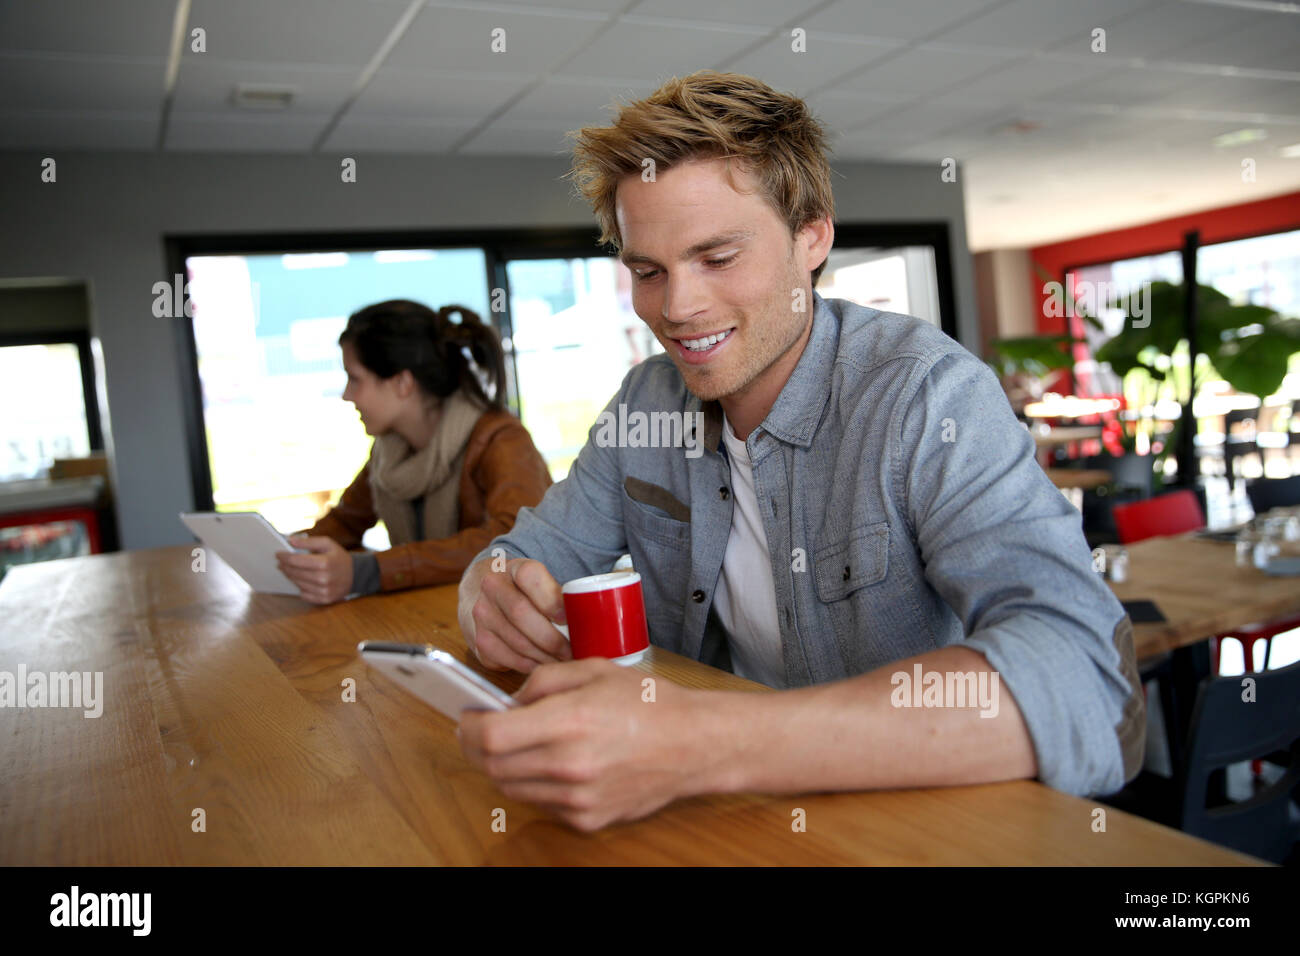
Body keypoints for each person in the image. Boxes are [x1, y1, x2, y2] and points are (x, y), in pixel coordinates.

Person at [454, 71, 1144, 832]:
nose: (678, 308)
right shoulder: (646, 405)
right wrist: (491, 596)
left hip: (909, 830)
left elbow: (1087, 676)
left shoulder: (928, 396)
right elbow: (520, 554)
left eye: (717, 257)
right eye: (648, 272)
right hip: (725, 820)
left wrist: (701, 743)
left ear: (812, 237)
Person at [276, 300, 552, 604]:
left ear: (402, 383)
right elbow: (346, 522)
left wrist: (369, 571)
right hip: (426, 617)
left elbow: (514, 540)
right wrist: (289, 551)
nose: (346, 395)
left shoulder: (500, 440)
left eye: (355, 378)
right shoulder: (389, 452)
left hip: (500, 621)